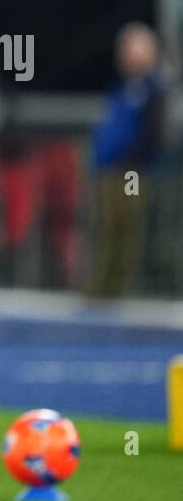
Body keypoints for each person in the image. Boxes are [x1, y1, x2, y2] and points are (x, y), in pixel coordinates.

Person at [88, 22, 167, 298]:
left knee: (124, 225)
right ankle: (101, 288)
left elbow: (152, 132)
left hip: (130, 172)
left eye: (131, 50)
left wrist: (131, 160)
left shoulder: (150, 88)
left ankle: (113, 289)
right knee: (107, 225)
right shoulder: (122, 88)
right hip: (109, 168)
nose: (124, 56)